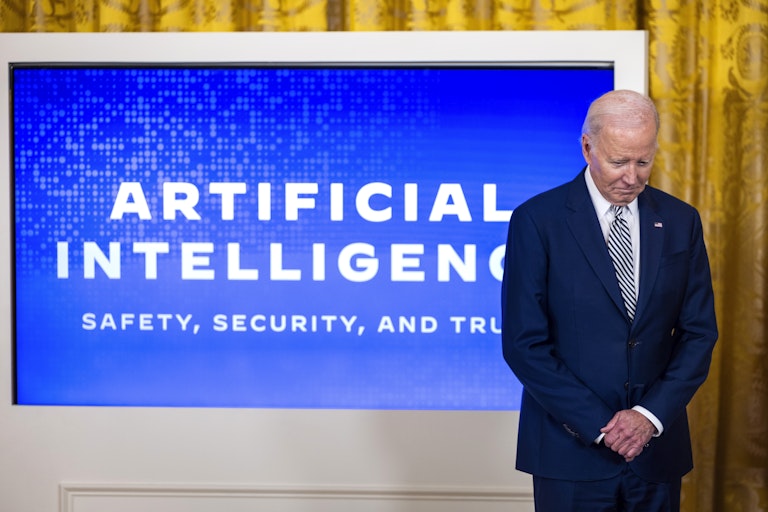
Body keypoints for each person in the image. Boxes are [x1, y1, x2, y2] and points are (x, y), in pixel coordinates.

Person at [501, 89, 718, 511]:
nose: (632, 177)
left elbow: (698, 333)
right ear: (587, 147)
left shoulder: (680, 221)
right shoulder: (537, 221)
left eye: (643, 161)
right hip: (569, 456)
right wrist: (604, 427)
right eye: (619, 161)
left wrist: (648, 418)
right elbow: (524, 344)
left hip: (656, 454)